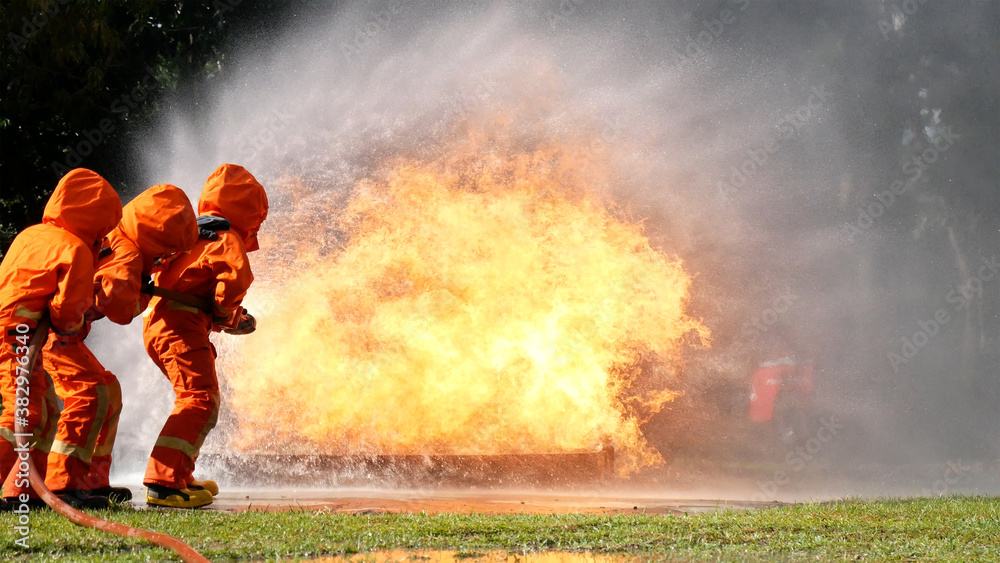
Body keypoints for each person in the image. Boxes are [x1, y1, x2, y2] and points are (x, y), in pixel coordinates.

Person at [42, 184, 198, 508]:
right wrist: (143, 291)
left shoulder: (117, 238)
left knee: (108, 391)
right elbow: (121, 311)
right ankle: (63, 484)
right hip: (49, 333)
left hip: (62, 333)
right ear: (158, 241)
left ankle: (92, 481)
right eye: (166, 253)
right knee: (92, 395)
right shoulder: (127, 258)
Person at [142, 164, 267, 508]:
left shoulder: (193, 235)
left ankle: (179, 475)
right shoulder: (227, 239)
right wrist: (230, 319)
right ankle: (164, 484)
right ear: (249, 213)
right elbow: (234, 284)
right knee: (200, 399)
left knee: (195, 397)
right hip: (180, 326)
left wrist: (225, 317)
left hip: (162, 324)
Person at [0, 169, 122, 508]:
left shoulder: (33, 234)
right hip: (18, 335)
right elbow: (66, 313)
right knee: (23, 412)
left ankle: (24, 490)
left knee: (46, 411)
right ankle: (51, 484)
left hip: (12, 330)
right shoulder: (75, 250)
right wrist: (79, 322)